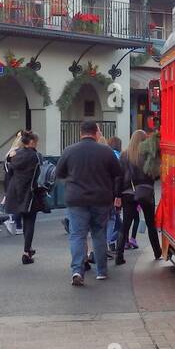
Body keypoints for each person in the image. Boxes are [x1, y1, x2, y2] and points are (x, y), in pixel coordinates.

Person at [55, 120, 121, 285]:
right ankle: (101, 271)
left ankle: (77, 271)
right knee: (99, 234)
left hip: (76, 199)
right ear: (96, 133)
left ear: (81, 133)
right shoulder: (106, 152)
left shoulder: (69, 151)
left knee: (77, 235)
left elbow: (59, 173)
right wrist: (115, 194)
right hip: (101, 199)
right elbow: (118, 174)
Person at [116, 131, 162, 264]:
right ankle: (157, 251)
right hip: (146, 192)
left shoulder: (124, 155)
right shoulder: (148, 154)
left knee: (126, 225)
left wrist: (117, 195)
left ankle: (119, 255)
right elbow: (156, 174)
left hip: (128, 193)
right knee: (150, 224)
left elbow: (119, 177)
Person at [1, 130, 43, 264]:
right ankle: (26, 251)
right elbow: (41, 171)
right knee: (30, 221)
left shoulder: (16, 155)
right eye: (36, 142)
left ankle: (28, 249)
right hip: (30, 191)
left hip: (16, 190)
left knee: (25, 219)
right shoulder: (35, 156)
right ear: (31, 142)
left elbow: (9, 169)